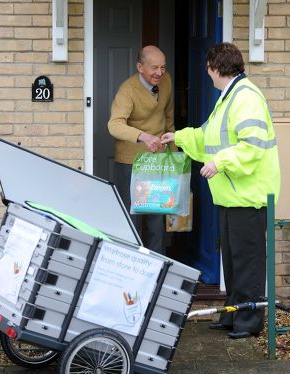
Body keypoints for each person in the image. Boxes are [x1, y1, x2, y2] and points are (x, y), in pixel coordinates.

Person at [161, 42, 281, 339]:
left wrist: (219, 162)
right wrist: (177, 136)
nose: (207, 73)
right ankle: (234, 315)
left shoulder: (246, 98)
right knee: (232, 261)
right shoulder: (229, 97)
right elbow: (207, 135)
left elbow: (251, 146)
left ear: (215, 68)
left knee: (247, 261)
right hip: (232, 195)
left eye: (208, 68)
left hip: (248, 196)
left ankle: (249, 322)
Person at [108, 45, 175, 254]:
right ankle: (132, 264)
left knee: (157, 216)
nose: (159, 73)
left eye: (163, 67)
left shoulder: (167, 81)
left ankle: (158, 265)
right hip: (132, 161)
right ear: (140, 67)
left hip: (158, 159)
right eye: (154, 68)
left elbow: (169, 117)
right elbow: (114, 125)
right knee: (133, 216)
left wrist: (173, 153)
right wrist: (143, 137)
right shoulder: (127, 90)